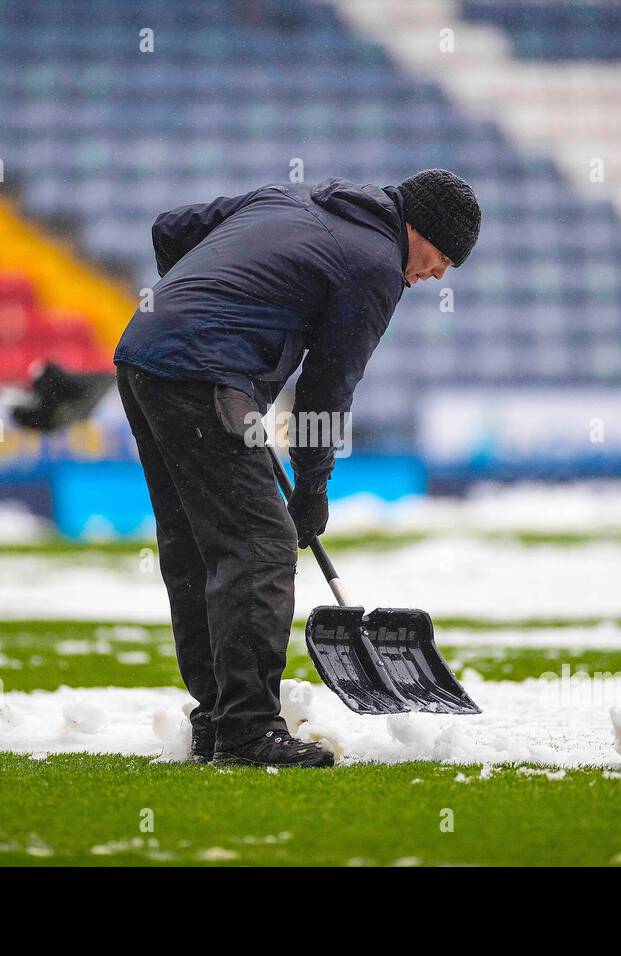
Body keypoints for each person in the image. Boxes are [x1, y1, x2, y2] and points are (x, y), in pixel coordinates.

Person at [114, 169, 481, 767]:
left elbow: (171, 229)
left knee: (197, 544)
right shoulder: (373, 266)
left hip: (144, 358)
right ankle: (247, 732)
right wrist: (312, 490)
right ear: (417, 230)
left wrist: (196, 309)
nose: (438, 273)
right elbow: (326, 391)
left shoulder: (287, 197)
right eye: (441, 256)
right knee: (260, 545)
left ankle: (219, 718)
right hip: (200, 372)